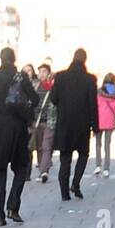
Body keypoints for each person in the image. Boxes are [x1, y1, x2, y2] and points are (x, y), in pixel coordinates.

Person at [0, 45, 38, 224]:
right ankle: (13, 206)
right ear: (14, 59)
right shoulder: (21, 77)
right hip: (18, 129)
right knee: (21, 168)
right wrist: (26, 111)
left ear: (1, 58)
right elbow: (35, 99)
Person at [49, 47, 98, 201]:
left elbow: (54, 98)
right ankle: (75, 184)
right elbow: (93, 104)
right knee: (83, 154)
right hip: (82, 124)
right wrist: (95, 125)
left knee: (65, 157)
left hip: (64, 123)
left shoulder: (61, 76)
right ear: (85, 60)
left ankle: (64, 193)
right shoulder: (90, 79)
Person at [94, 72, 115, 176]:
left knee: (98, 144)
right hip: (110, 121)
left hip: (98, 121)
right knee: (107, 145)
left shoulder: (98, 92)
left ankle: (98, 166)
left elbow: (94, 107)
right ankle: (106, 168)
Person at [33, 62, 57, 182]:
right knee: (39, 147)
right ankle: (43, 168)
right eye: (40, 71)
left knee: (46, 146)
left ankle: (44, 171)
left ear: (49, 73)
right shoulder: (36, 86)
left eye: (44, 71)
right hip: (37, 121)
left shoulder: (53, 87)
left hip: (49, 121)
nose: (41, 74)